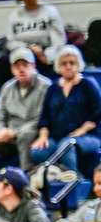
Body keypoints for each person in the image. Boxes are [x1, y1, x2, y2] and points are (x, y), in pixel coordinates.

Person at [0, 48, 50, 180]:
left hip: (31, 135)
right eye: (17, 66)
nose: (21, 70)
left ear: (34, 66)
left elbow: (41, 119)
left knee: (26, 134)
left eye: (25, 65)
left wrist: (14, 133)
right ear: (12, 69)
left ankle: (26, 177)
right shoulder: (7, 88)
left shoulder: (45, 86)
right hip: (7, 136)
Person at [32, 45, 101, 177]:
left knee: (66, 146)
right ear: (59, 66)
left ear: (79, 64)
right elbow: (44, 117)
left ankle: (75, 180)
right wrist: (43, 136)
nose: (68, 66)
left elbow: (97, 114)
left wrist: (82, 130)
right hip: (57, 135)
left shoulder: (88, 84)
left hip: (89, 135)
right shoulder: (53, 88)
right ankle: (53, 176)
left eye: (72, 63)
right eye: (64, 63)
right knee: (37, 151)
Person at [8, 0, 65, 73]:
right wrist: (29, 48)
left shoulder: (50, 11)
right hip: (22, 53)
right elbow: (10, 42)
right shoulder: (14, 16)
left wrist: (46, 56)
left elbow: (58, 40)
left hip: (46, 54)